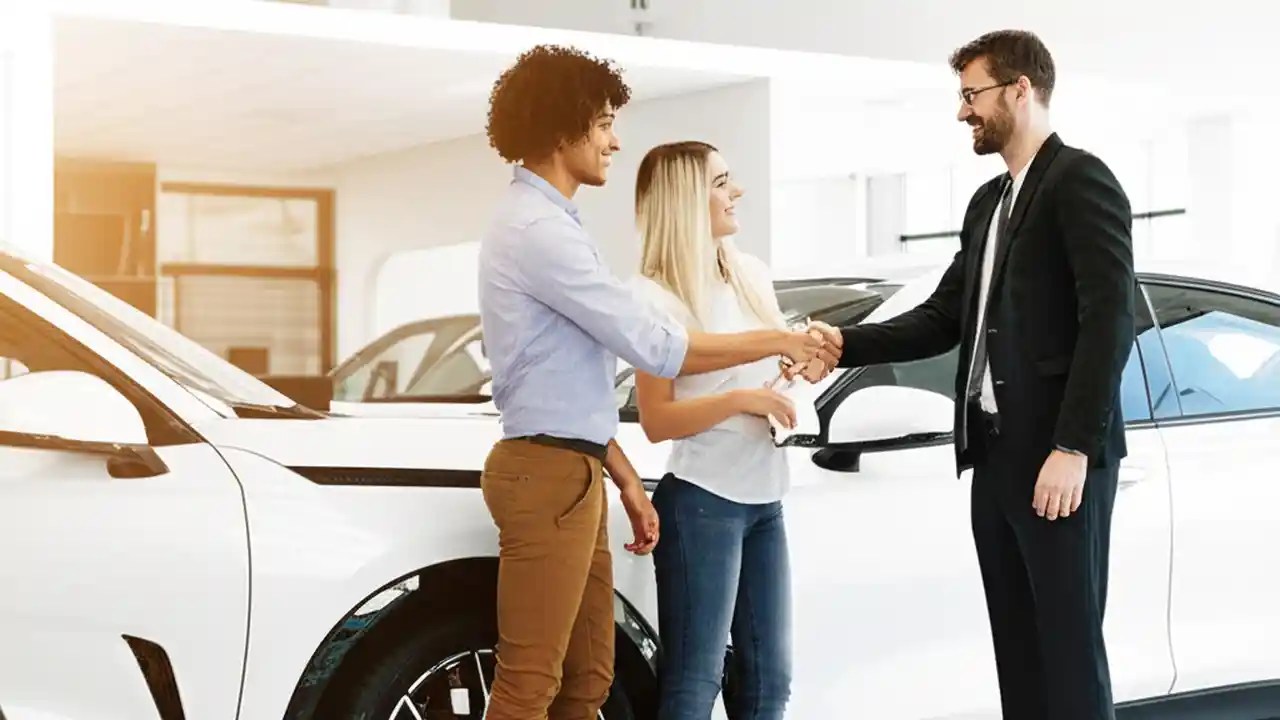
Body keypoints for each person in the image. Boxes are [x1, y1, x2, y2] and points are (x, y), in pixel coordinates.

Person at [477, 45, 824, 720]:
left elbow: (573, 384)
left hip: (576, 465)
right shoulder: (537, 231)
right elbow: (655, 348)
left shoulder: (558, 226)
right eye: (603, 122)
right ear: (560, 126)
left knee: (587, 683)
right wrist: (780, 341)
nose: (614, 140)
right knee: (530, 685)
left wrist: (627, 480)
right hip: (546, 471)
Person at [810, 29, 1134, 720]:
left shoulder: (1081, 180)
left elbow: (1110, 322)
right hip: (994, 459)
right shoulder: (989, 203)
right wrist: (841, 342)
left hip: (1058, 462)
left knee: (1070, 657)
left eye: (972, 95)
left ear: (1020, 89)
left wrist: (1073, 447)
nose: (963, 112)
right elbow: (941, 318)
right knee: (1018, 654)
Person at [630, 141, 802, 720]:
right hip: (703, 502)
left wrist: (798, 368)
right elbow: (657, 421)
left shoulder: (751, 274)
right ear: (684, 200)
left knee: (768, 685)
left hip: (765, 499)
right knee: (694, 683)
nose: (737, 192)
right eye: (722, 181)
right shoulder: (652, 297)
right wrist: (738, 399)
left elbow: (771, 376)